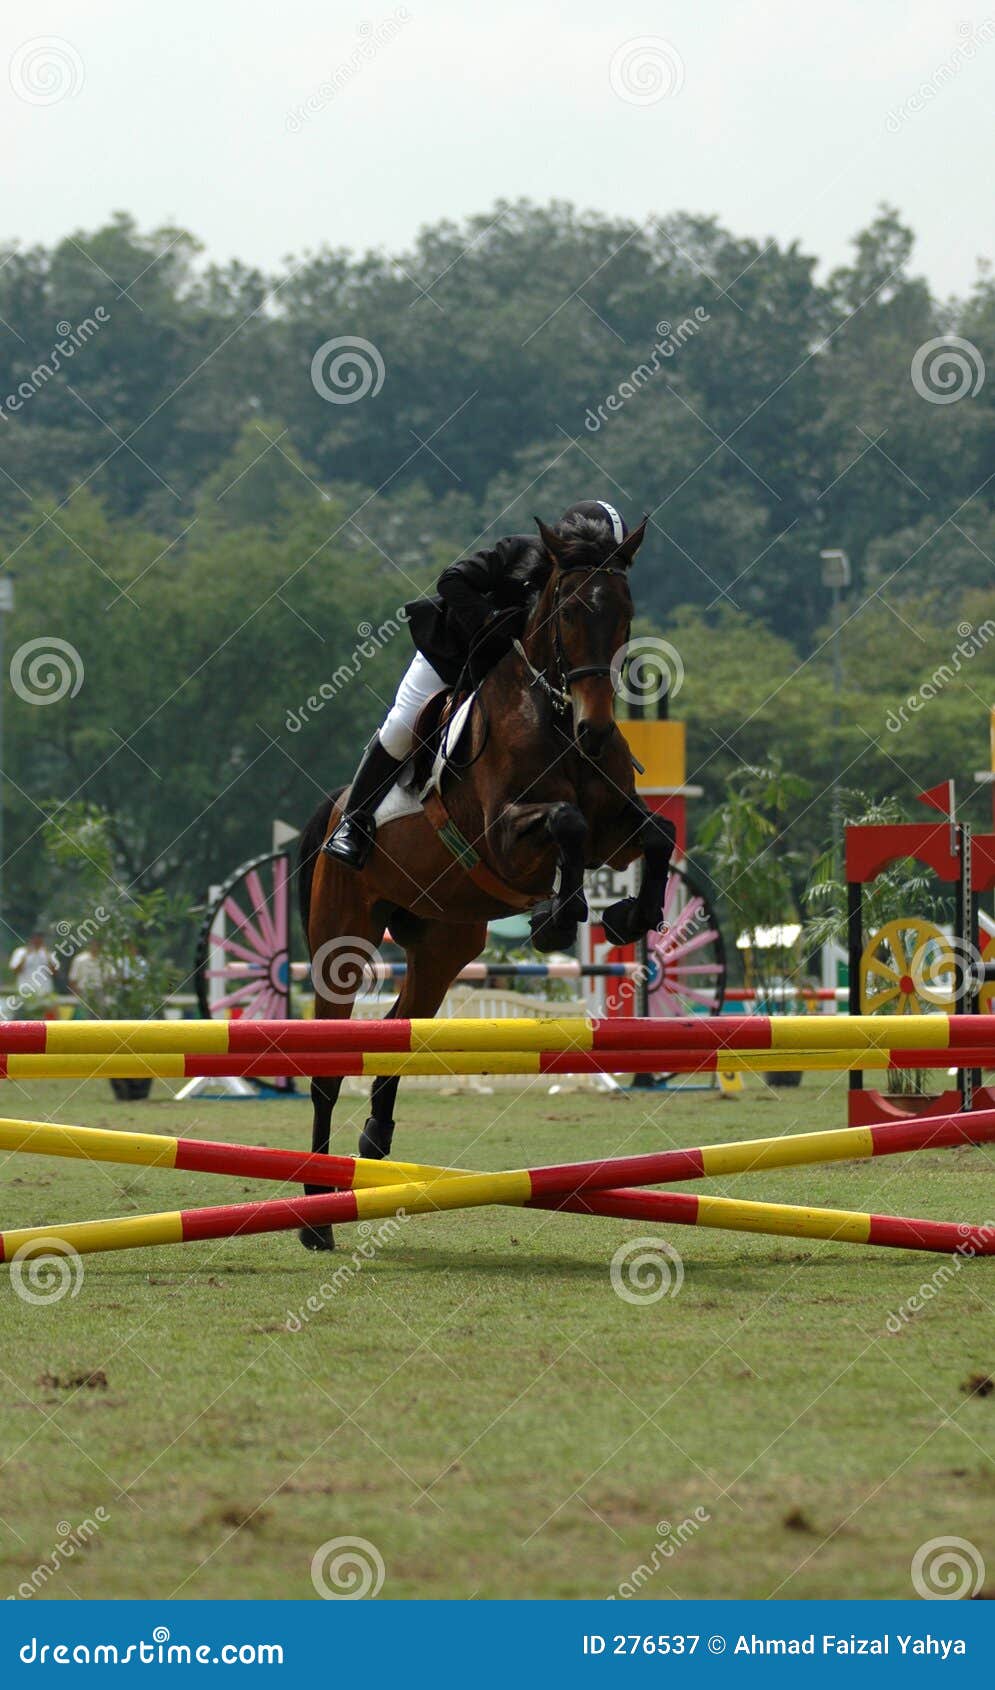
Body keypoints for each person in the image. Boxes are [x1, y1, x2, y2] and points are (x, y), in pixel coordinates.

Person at [323, 500, 629, 870]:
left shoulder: (595, 592)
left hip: (512, 677)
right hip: (453, 657)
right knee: (402, 726)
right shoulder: (519, 552)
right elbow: (451, 580)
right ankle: (352, 823)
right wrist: (487, 620)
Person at [8, 929, 57, 1008]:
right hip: (25, 991)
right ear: (30, 940)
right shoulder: (20, 952)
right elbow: (15, 971)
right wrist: (26, 955)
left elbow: (54, 973)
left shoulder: (48, 953)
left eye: (39, 939)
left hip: (45, 992)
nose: (37, 941)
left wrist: (47, 956)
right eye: (35, 939)